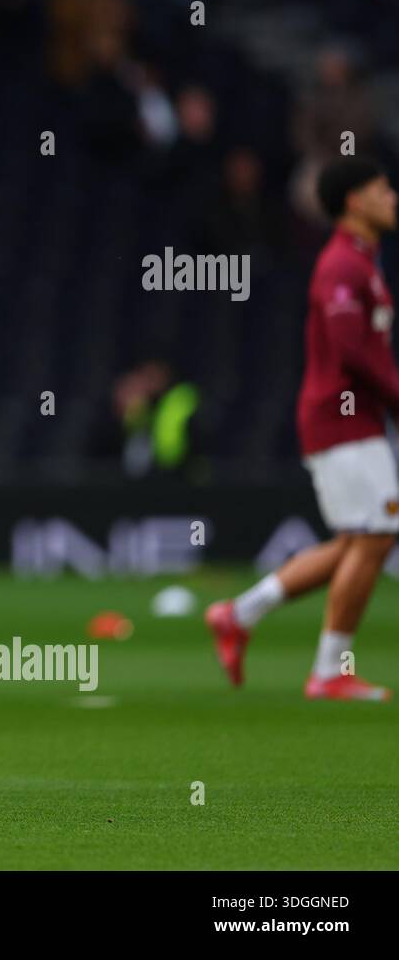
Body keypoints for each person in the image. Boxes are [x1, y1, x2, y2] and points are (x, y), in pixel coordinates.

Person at [206, 157, 398, 701]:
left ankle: (238, 614)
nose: (393, 197)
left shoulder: (361, 261)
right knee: (379, 533)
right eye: (383, 189)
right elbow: (353, 353)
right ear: (354, 202)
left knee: (358, 538)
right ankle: (329, 670)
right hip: (341, 418)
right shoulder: (341, 265)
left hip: (351, 418)